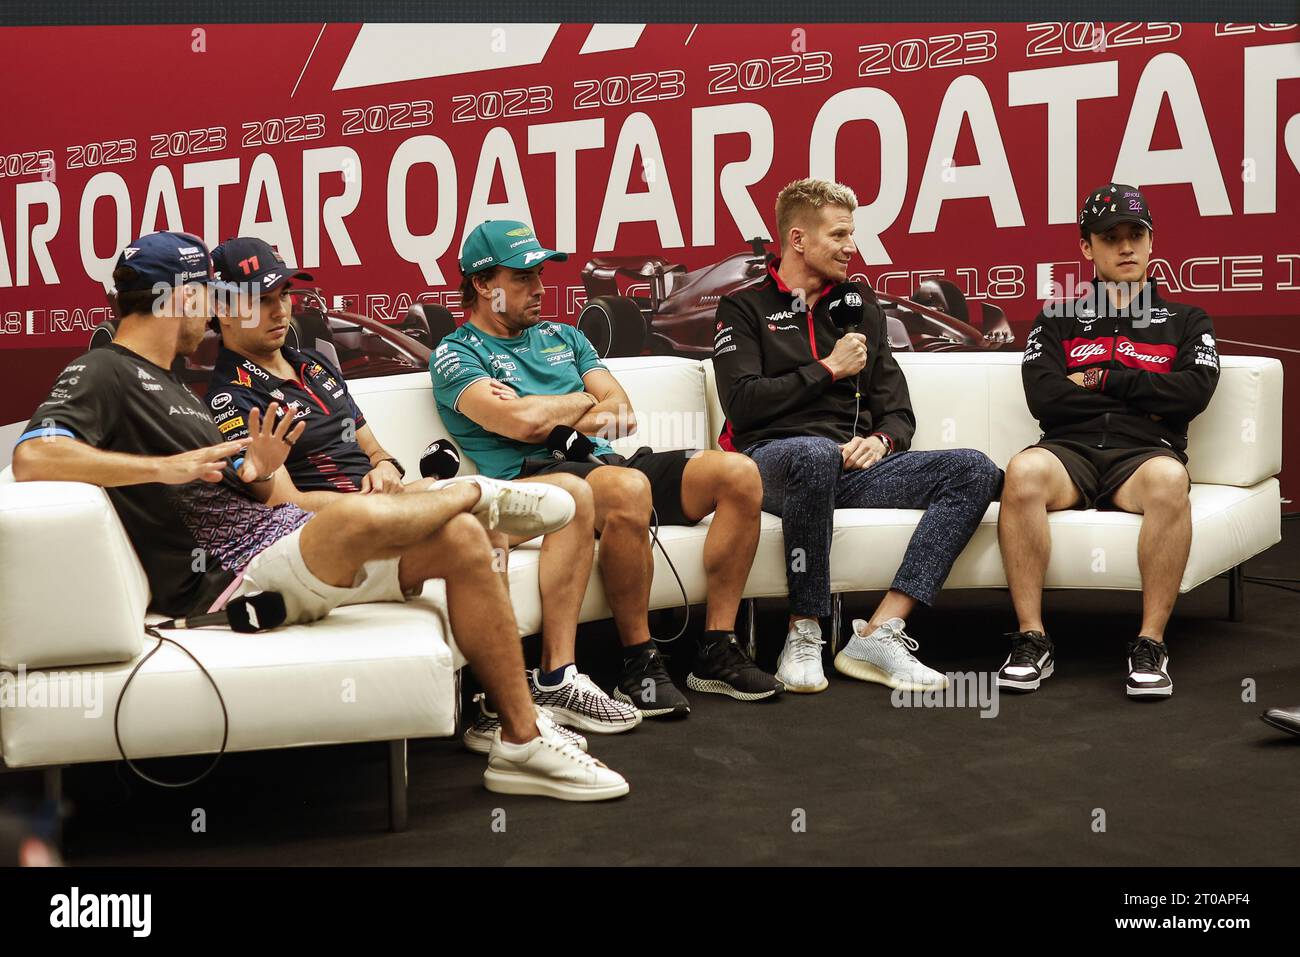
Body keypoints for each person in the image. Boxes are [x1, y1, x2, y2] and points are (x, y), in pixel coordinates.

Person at [12, 231, 627, 801]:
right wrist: (164, 469)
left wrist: (257, 466)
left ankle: (519, 742)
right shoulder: (106, 369)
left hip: (273, 540)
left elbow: (247, 491)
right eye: (208, 295)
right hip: (230, 578)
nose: (212, 311)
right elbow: (34, 457)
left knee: (464, 543)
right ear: (181, 296)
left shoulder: (173, 381)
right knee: (355, 518)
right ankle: (478, 493)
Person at [203, 236, 638, 747]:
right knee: (483, 528)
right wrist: (380, 504)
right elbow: (283, 502)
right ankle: (493, 707)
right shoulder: (228, 396)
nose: (280, 309)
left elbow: (374, 449)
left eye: (283, 294)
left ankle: (555, 679)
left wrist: (386, 468)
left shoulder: (313, 366)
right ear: (223, 310)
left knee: (571, 497)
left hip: (389, 504)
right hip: (334, 531)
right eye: (261, 299)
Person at [432, 220, 784, 718]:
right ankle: (639, 662)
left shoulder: (567, 337)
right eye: (522, 277)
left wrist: (551, 407)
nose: (539, 288)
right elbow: (518, 425)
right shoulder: (456, 354)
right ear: (483, 286)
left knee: (738, 474)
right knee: (626, 487)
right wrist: (576, 402)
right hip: (534, 483)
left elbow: (621, 411)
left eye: (540, 275)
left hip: (610, 464)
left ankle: (715, 649)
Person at [712, 178, 1002, 694]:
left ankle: (879, 631)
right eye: (840, 235)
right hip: (768, 466)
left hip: (848, 468)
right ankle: (804, 629)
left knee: (974, 468)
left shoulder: (860, 306)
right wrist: (827, 369)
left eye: (852, 234)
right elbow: (743, 403)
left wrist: (883, 442)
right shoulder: (743, 307)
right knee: (813, 454)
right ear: (798, 240)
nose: (852, 247)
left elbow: (897, 408)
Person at [996, 184, 1219, 699]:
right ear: (1086, 247)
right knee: (1023, 470)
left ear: (1151, 241)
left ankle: (1150, 644)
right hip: (1068, 452)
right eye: (1109, 236)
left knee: (1169, 478)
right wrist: (1144, 392)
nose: (1125, 247)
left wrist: (1101, 378)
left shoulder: (1188, 320)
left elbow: (1191, 394)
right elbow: (1045, 398)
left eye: (1135, 235)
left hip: (1144, 455)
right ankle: (1032, 638)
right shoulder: (1056, 317)